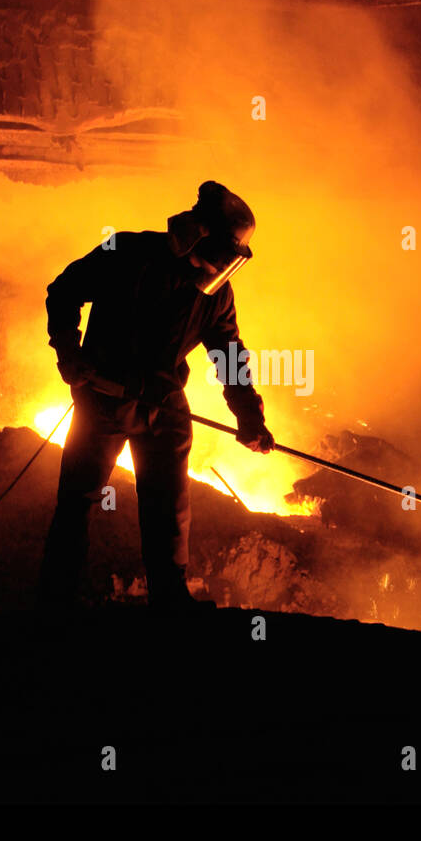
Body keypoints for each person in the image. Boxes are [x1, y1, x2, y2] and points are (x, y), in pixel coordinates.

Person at [39, 180, 274, 614]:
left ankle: (170, 601)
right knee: (78, 500)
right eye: (219, 254)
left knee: (168, 509)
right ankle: (55, 601)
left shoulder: (216, 293)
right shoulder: (125, 253)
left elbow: (228, 352)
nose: (219, 268)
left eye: (228, 260)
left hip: (164, 406)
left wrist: (249, 417)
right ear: (196, 234)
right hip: (104, 401)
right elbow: (64, 291)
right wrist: (68, 352)